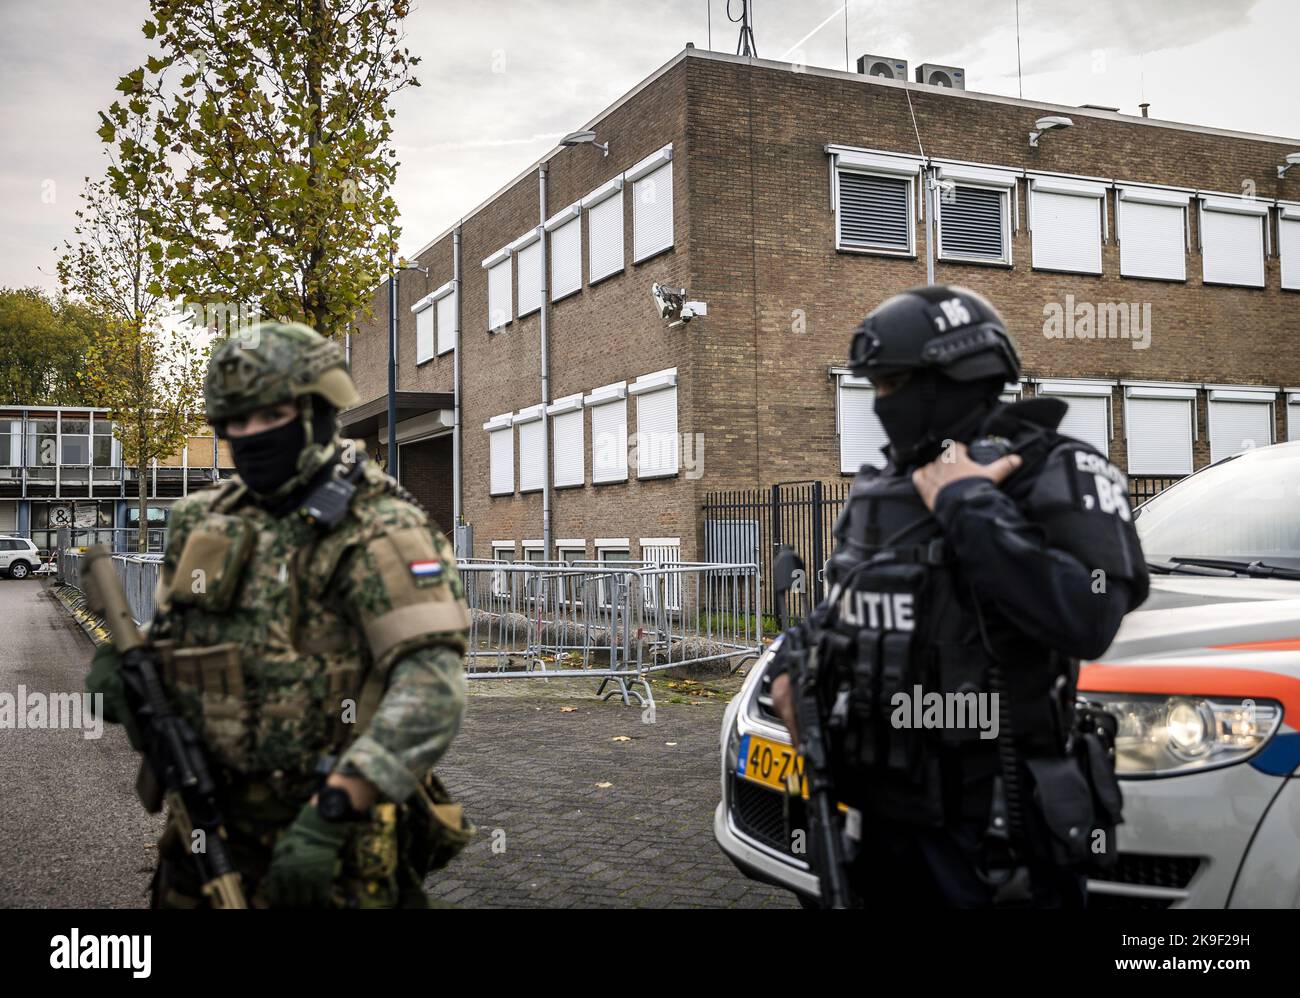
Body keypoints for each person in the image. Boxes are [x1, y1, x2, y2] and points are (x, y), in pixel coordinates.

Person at [770, 285, 1148, 908]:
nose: (881, 405)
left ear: (957, 377)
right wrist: (793, 660)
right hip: (879, 814)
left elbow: (1091, 612)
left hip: (997, 827)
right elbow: (845, 601)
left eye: (894, 386)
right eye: (877, 387)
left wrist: (968, 504)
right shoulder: (884, 486)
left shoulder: (1056, 470)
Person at [87, 321, 471, 908]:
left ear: (317, 412)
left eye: (271, 417)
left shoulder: (379, 525)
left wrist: (335, 807)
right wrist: (127, 670)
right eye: (235, 423)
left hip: (330, 836)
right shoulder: (201, 520)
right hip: (204, 826)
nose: (251, 436)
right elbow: (174, 644)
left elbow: (431, 687)